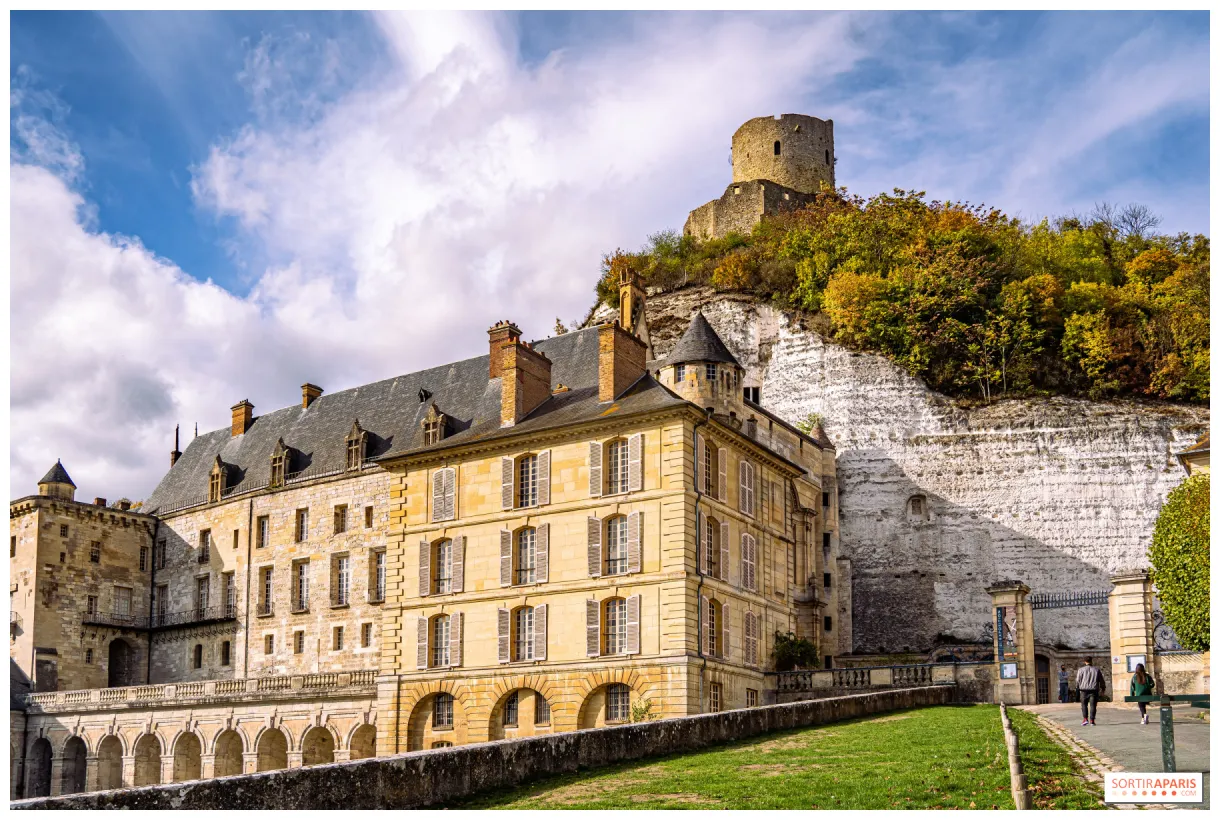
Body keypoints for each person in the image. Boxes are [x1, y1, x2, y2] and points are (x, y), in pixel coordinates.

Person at [1076, 656, 1102, 725]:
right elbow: (1101, 680)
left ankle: (1085, 719)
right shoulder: (1096, 670)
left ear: (1085, 662)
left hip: (1084, 690)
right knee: (1093, 705)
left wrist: (1077, 688)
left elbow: (1078, 680)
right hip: (1093, 690)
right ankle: (1092, 721)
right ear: (1091, 661)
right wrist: (1103, 688)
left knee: (1084, 705)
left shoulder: (1080, 670)